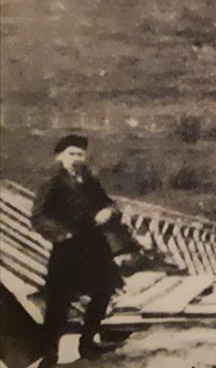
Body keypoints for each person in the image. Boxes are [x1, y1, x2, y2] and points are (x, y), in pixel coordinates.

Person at [31, 135, 123, 365]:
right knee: (58, 302)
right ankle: (49, 354)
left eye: (80, 154)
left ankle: (88, 343)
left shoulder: (89, 180)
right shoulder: (52, 182)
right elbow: (39, 216)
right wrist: (62, 234)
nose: (77, 158)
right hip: (67, 250)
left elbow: (109, 204)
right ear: (60, 155)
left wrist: (108, 212)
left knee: (104, 290)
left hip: (94, 247)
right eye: (72, 153)